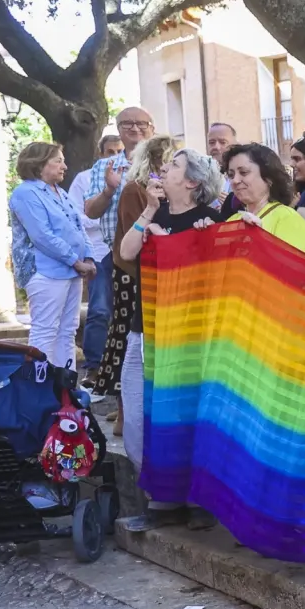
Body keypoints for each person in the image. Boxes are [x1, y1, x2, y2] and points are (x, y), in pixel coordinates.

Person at [114, 148, 222, 495]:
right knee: (135, 417)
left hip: (190, 337)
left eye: (173, 164)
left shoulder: (208, 219)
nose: (163, 167)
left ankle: (190, 498)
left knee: (184, 417)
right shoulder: (154, 213)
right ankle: (156, 490)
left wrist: (198, 239)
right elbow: (127, 253)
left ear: (191, 181)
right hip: (144, 330)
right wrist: (147, 212)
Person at [93, 135, 178, 399]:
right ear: (155, 159)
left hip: (152, 270)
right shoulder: (134, 189)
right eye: (170, 160)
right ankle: (120, 403)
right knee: (126, 332)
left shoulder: (166, 190)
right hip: (130, 271)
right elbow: (133, 236)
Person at [72, 105, 153, 382]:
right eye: (128, 123)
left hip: (156, 249)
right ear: (118, 129)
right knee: (113, 315)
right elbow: (90, 211)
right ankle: (107, 379)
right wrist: (108, 189)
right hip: (113, 253)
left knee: (146, 318)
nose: (135, 128)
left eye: (142, 123)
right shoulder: (104, 166)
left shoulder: (164, 161)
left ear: (152, 127)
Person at [10, 143, 97, 370]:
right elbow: (42, 236)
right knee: (45, 330)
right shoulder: (26, 193)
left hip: (71, 270)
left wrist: (88, 257)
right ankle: (40, 390)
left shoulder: (60, 192)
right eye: (57, 161)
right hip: (45, 271)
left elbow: (78, 227)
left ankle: (65, 391)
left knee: (68, 331)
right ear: (38, 164)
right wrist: (75, 261)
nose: (64, 166)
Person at [221, 144, 305, 255]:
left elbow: (294, 268)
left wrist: (261, 240)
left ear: (268, 178)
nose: (235, 180)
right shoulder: (232, 220)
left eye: (244, 172)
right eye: (231, 175)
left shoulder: (288, 219)